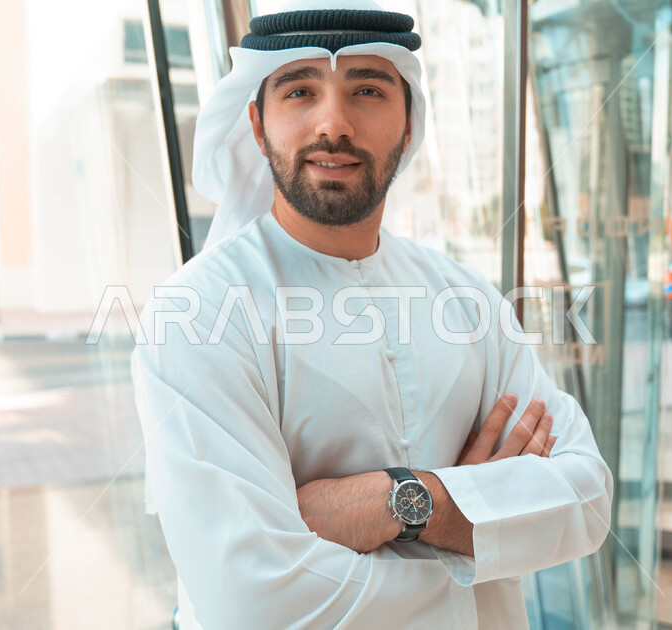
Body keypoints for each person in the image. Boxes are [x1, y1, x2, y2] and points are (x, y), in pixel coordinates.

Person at [130, 1, 613, 627]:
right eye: (300, 90)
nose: (333, 123)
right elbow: (255, 600)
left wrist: (403, 503)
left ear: (409, 125)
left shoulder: (467, 300)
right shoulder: (196, 315)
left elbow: (587, 498)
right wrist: (476, 523)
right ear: (257, 125)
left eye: (367, 90)